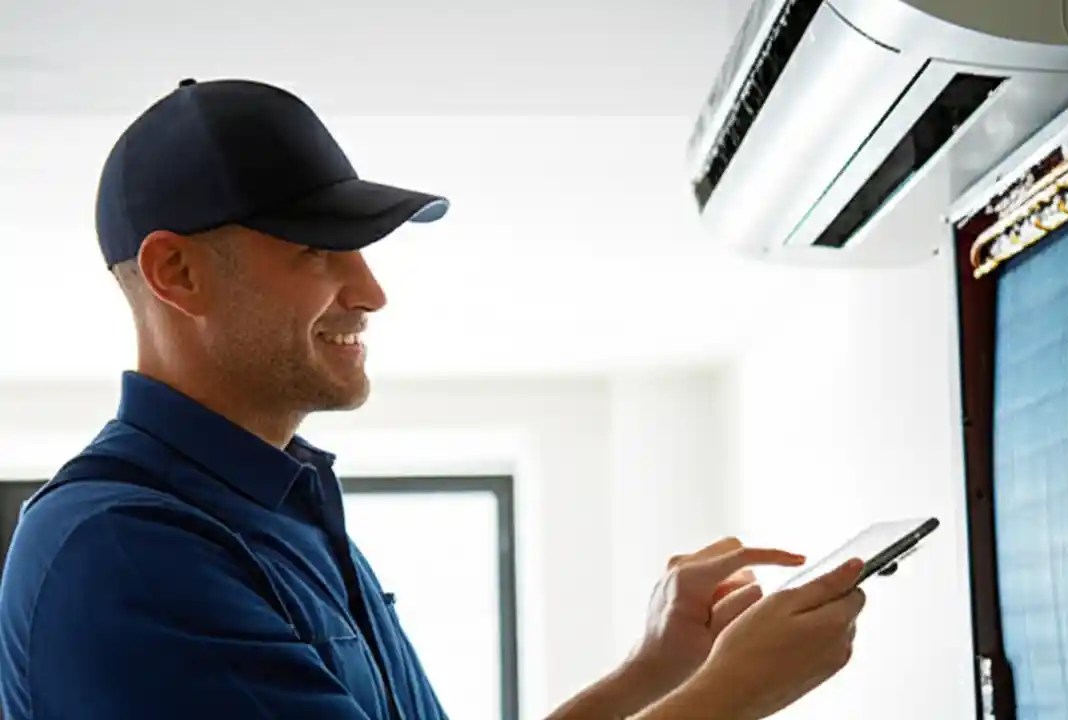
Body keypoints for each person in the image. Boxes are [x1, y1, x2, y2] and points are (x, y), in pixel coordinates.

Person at [0, 78, 868, 720]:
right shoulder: (124, 551)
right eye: (316, 250)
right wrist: (732, 694)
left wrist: (656, 670)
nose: (371, 291)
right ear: (176, 273)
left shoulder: (280, 511)